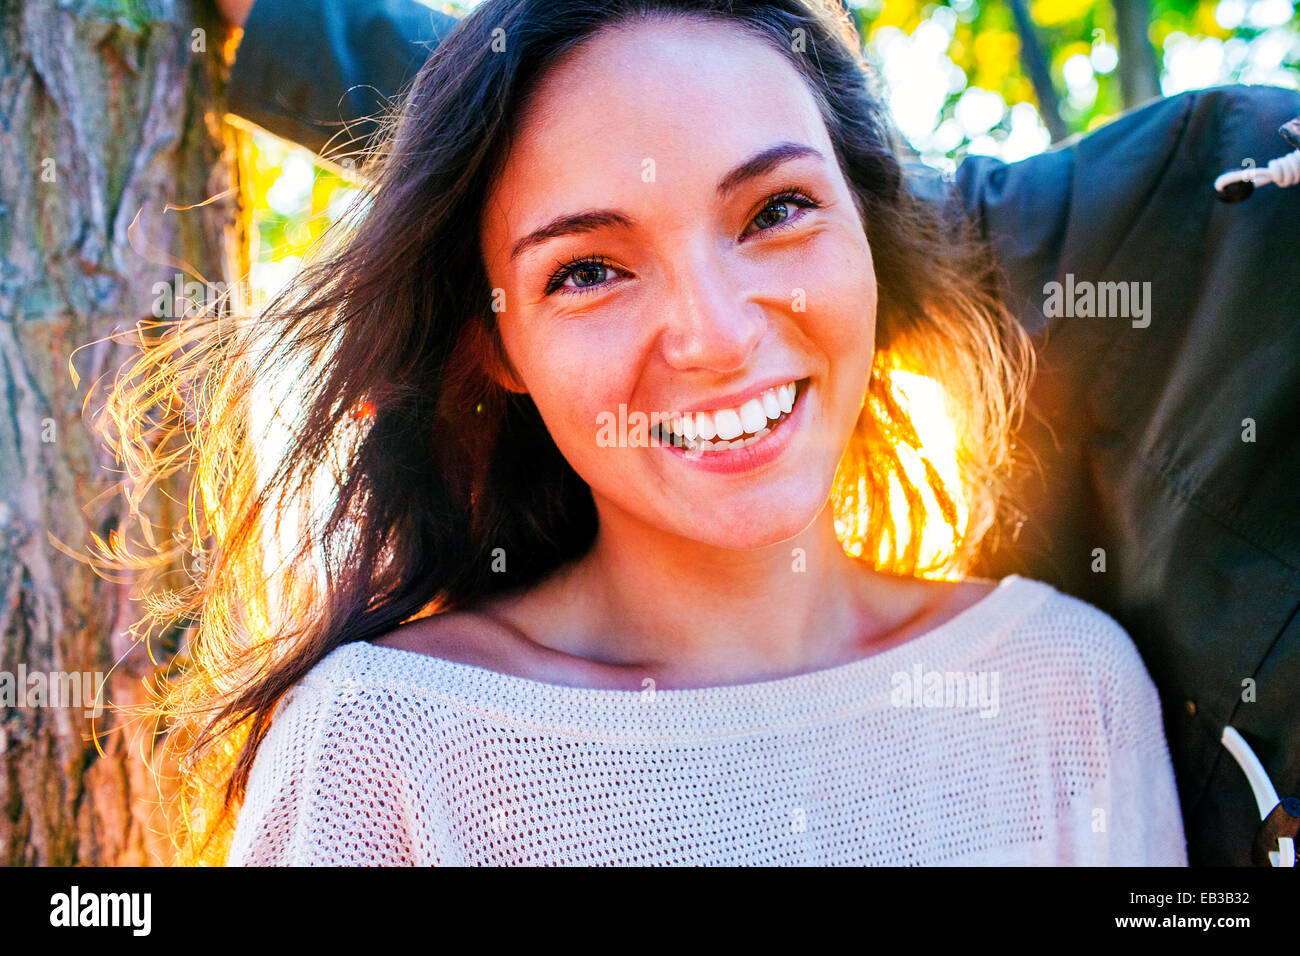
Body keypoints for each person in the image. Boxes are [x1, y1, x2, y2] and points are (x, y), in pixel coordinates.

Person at [212, 0, 1299, 867]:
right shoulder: (385, 745)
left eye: (775, 212)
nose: (716, 335)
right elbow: (622, 107)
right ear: (491, 346)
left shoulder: (1069, 688)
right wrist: (297, 19)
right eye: (586, 269)